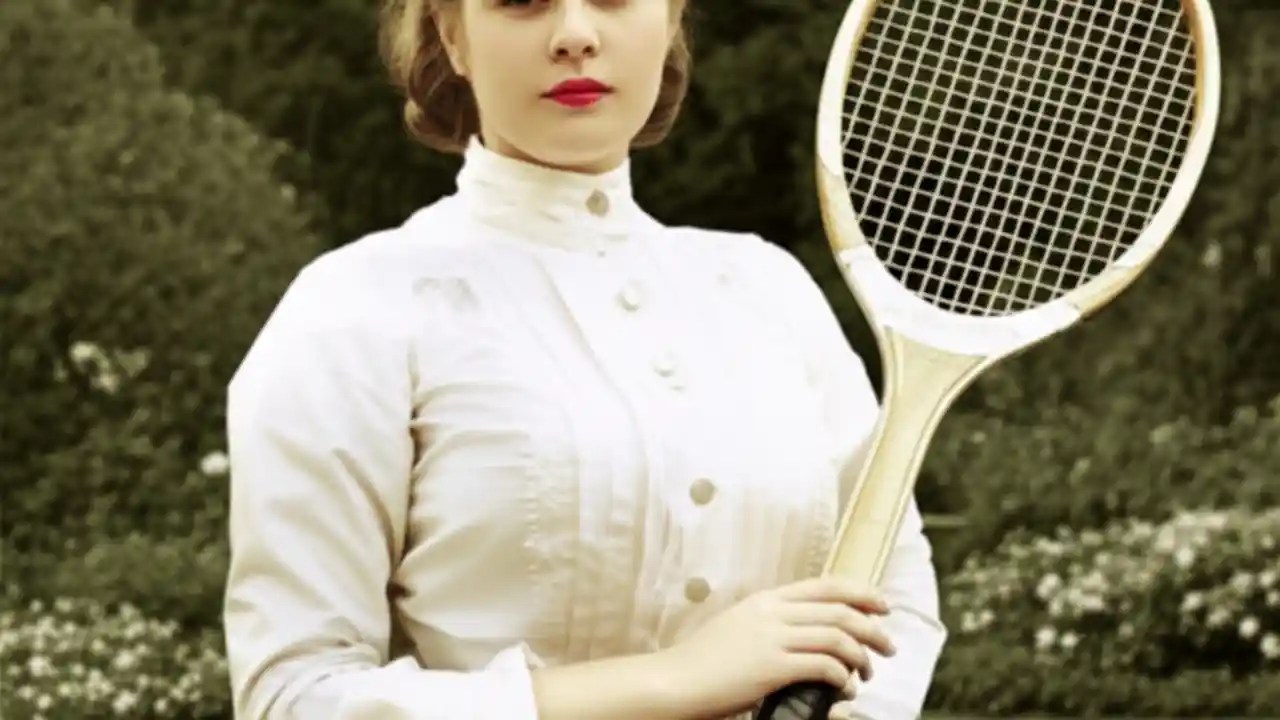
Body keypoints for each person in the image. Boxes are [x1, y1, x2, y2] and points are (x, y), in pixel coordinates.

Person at [220, 0, 947, 718]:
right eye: (521, 3)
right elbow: (294, 699)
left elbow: (892, 608)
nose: (573, 34)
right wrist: (676, 680)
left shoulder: (768, 292)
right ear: (452, 34)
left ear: (669, 21)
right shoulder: (357, 309)